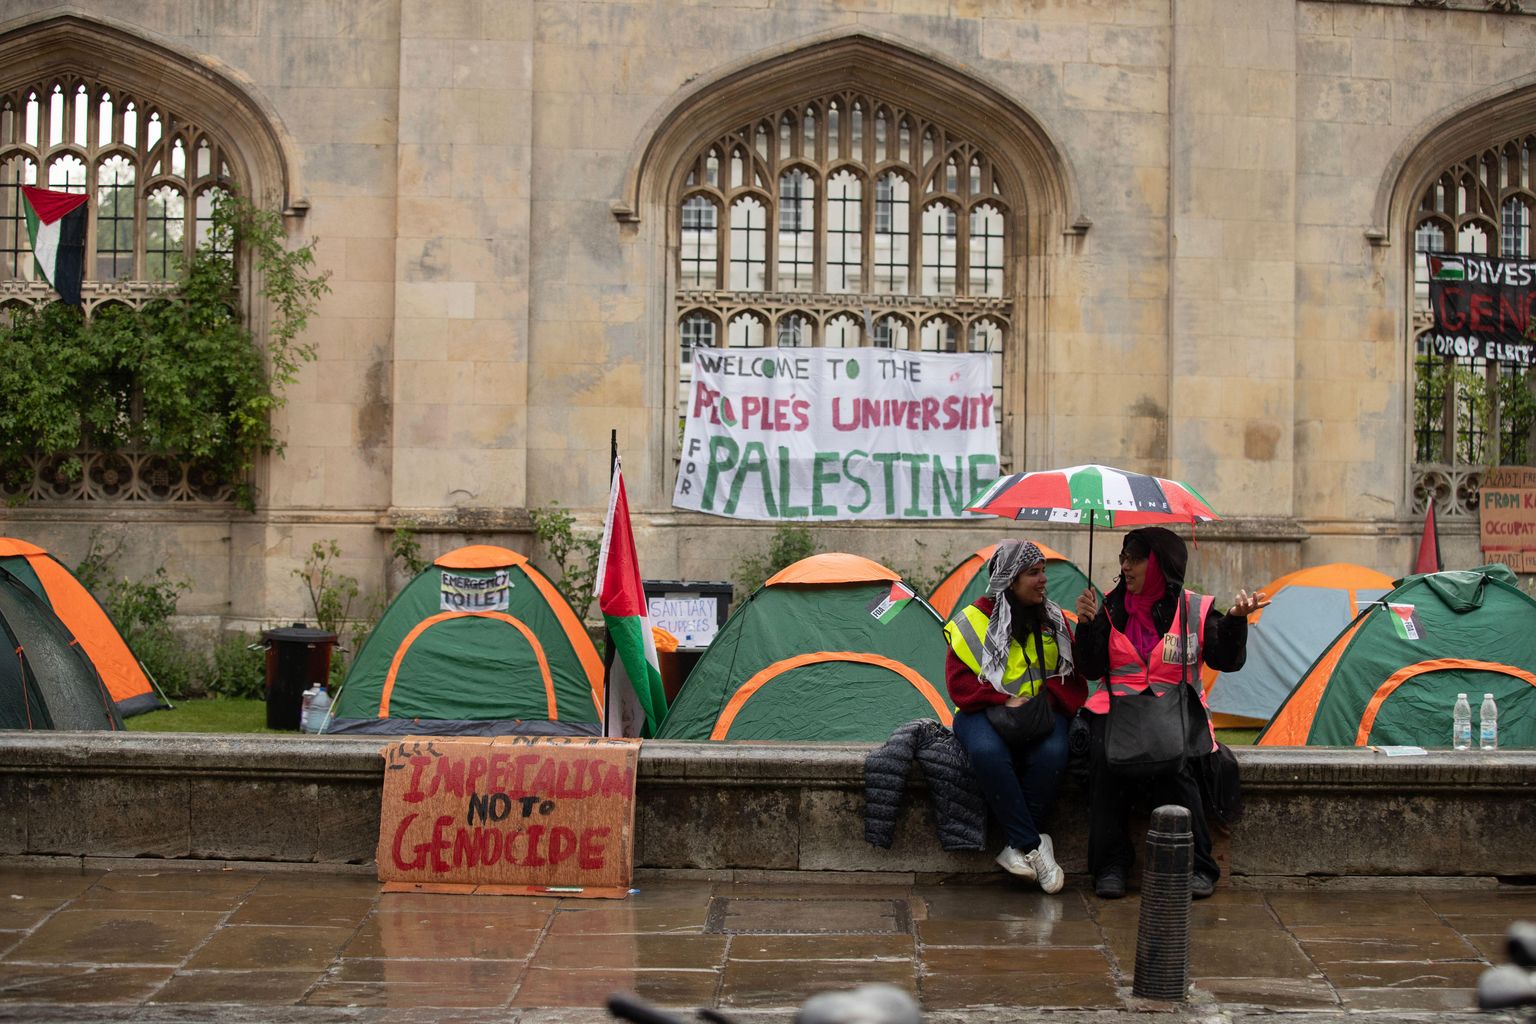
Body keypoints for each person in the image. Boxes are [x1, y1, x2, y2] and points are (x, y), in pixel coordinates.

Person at [1073, 526, 1266, 901]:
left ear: (1159, 564)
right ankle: (1110, 865)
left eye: (1135, 559)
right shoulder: (1107, 607)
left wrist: (1237, 621)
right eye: (1122, 559)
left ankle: (1199, 866)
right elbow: (1092, 669)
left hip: (1175, 709)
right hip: (1116, 708)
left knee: (1176, 763)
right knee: (1102, 758)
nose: (1125, 567)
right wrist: (1086, 627)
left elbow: (1227, 659)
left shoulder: (1194, 608)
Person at [944, 540, 1088, 893]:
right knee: (988, 753)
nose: (1043, 581)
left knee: (1053, 754)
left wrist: (1042, 700)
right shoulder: (971, 620)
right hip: (981, 710)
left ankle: (1015, 847)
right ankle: (1035, 847)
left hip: (1040, 713)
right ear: (1009, 580)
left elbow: (1075, 681)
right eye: (1033, 573)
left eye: (1043, 573)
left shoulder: (1053, 619)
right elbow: (958, 685)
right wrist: (1001, 699)